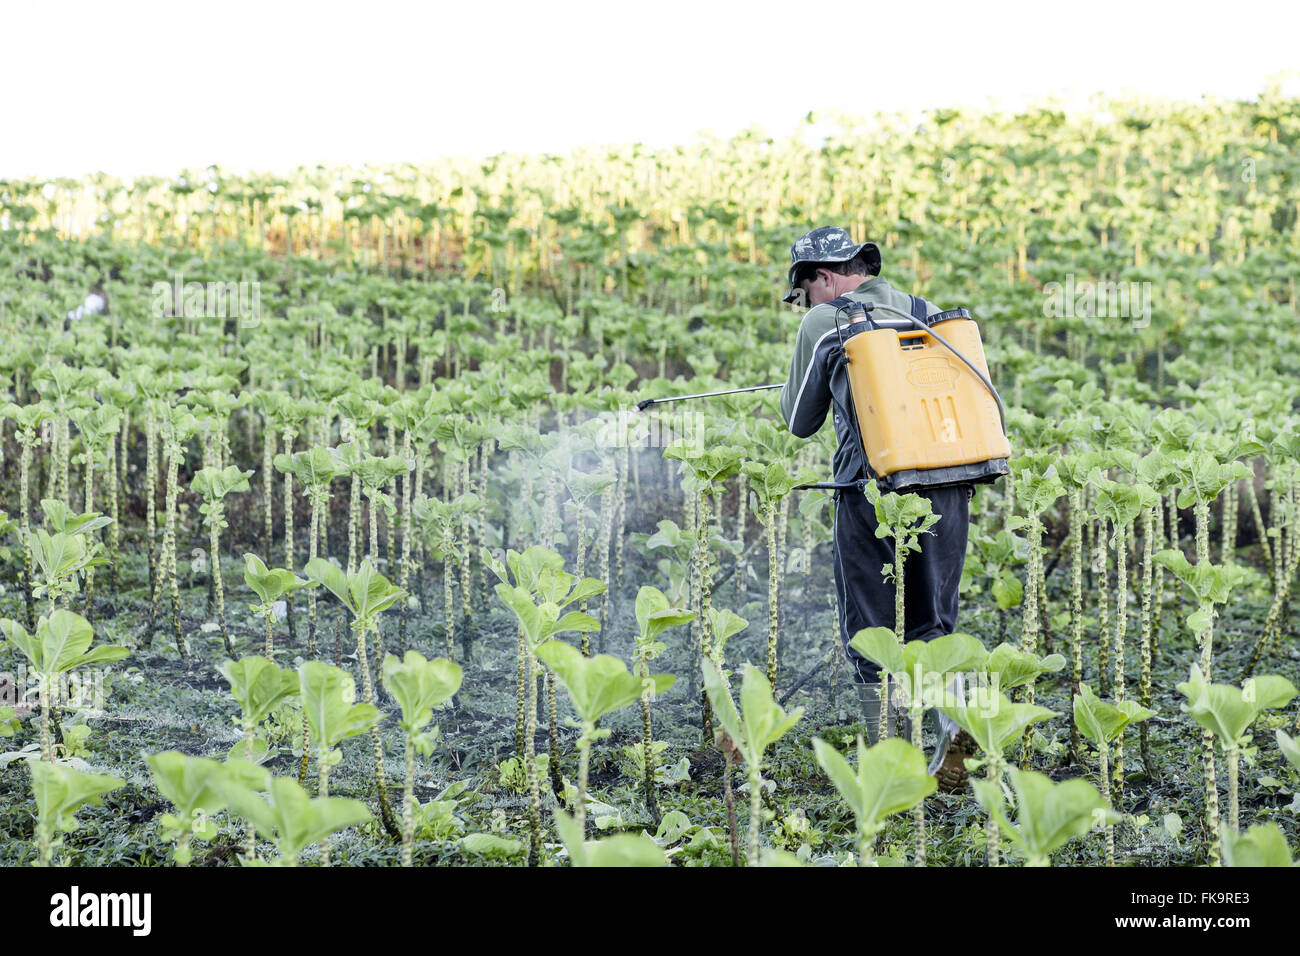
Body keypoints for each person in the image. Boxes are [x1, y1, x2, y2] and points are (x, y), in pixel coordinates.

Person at [777, 225, 976, 791]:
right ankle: (955, 727)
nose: (804, 303)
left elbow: (798, 422)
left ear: (822, 276)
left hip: (871, 486)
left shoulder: (825, 320)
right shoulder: (927, 312)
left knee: (869, 626)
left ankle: (889, 758)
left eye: (802, 291)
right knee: (932, 621)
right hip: (949, 480)